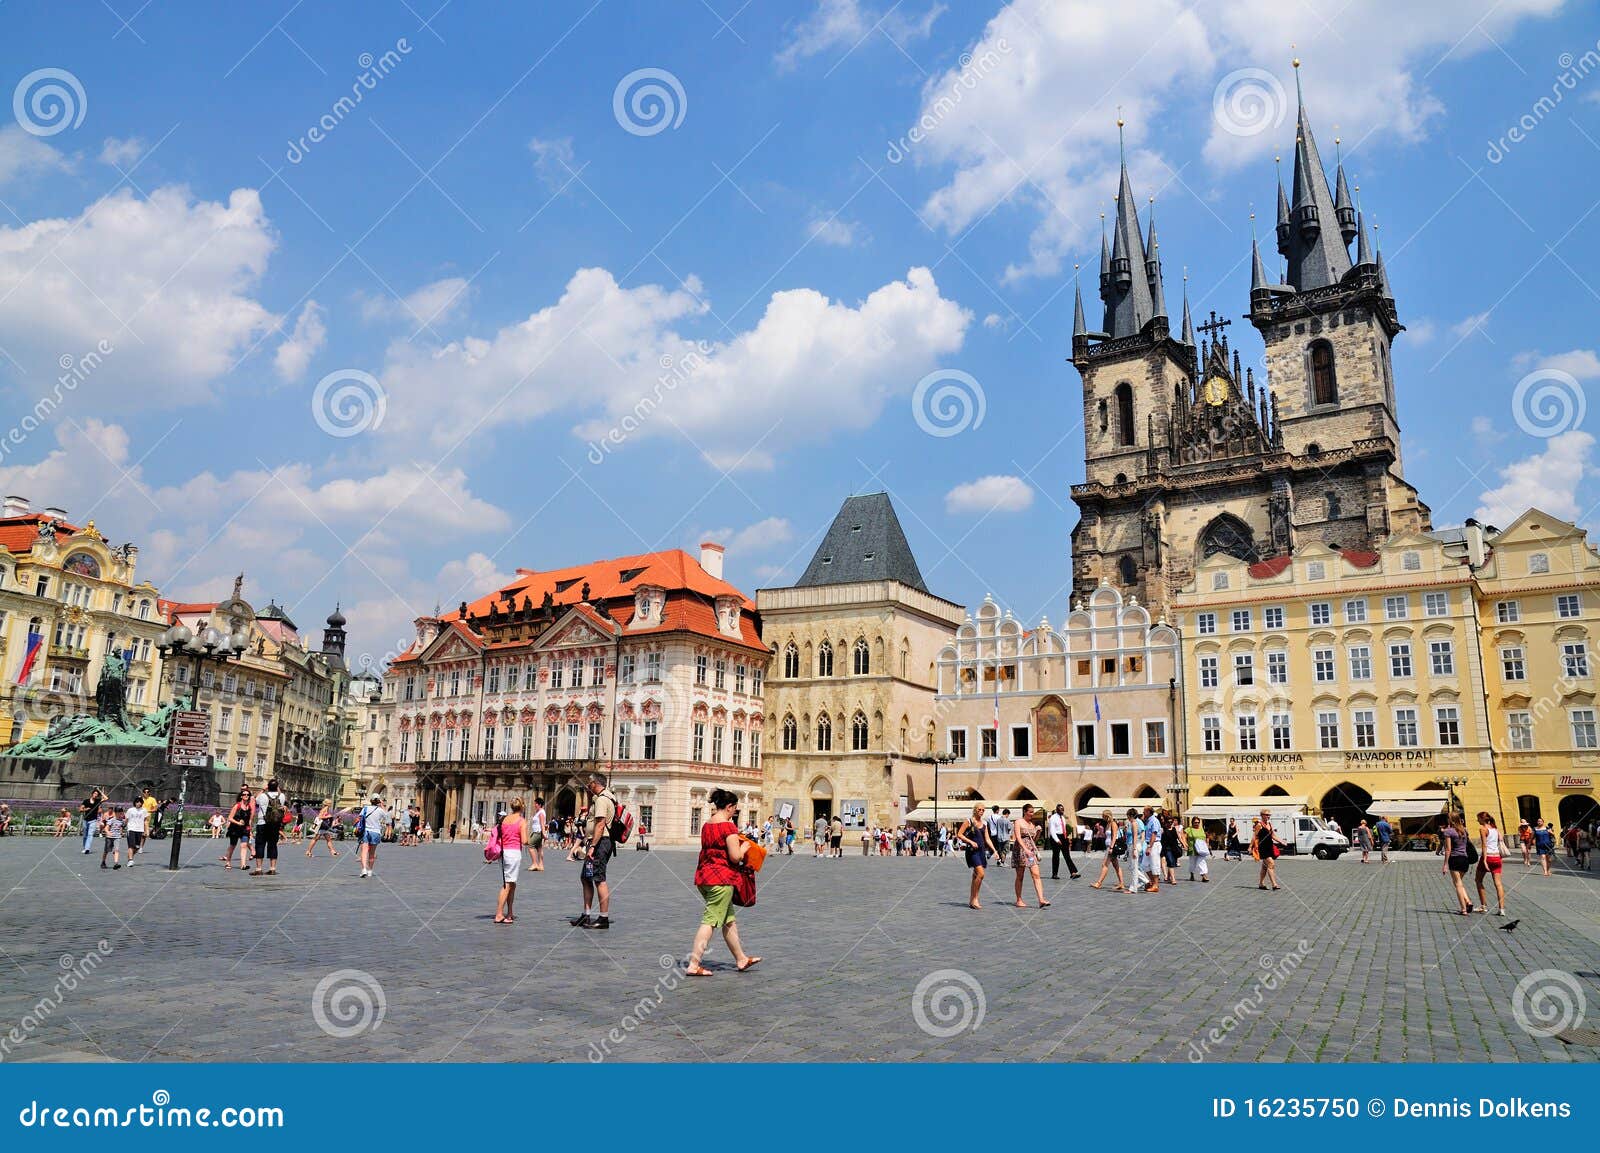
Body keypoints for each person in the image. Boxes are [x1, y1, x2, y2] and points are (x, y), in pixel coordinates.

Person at [682, 788, 761, 975]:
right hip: (721, 879)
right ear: (729, 807)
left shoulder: (707, 825)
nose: (735, 812)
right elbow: (735, 857)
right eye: (735, 808)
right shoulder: (728, 827)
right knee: (710, 921)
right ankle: (694, 964)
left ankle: (741, 959)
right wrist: (746, 847)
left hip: (704, 877)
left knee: (728, 921)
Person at [571, 774, 618, 929]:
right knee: (586, 878)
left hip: (600, 843)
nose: (588, 786)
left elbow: (600, 825)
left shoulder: (602, 799)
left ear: (596, 783)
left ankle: (603, 918)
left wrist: (592, 847)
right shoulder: (602, 798)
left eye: (589, 783)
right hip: (597, 843)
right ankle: (586, 915)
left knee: (599, 879)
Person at [955, 802, 997, 909]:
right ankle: (975, 898)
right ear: (975, 810)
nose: (981, 811)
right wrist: (970, 842)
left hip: (981, 851)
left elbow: (987, 839)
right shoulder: (969, 821)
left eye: (983, 810)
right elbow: (959, 834)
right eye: (979, 809)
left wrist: (994, 850)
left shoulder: (984, 823)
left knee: (975, 876)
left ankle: (971, 899)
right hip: (972, 851)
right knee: (981, 874)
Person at [492, 799, 527, 924]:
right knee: (507, 884)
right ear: (522, 808)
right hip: (513, 854)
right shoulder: (521, 821)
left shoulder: (504, 819)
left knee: (512, 884)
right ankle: (499, 914)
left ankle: (510, 913)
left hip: (504, 853)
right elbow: (524, 840)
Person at [1010, 804, 1050, 908]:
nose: (1032, 814)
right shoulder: (1018, 822)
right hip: (1020, 850)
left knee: (1036, 874)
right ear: (1025, 811)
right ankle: (1019, 900)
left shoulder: (1032, 824)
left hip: (1031, 852)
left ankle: (1041, 899)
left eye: (1033, 812)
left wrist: (1038, 832)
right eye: (1030, 812)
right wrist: (1025, 849)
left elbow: (1034, 841)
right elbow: (1018, 838)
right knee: (1020, 876)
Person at [251, 778, 289, 876]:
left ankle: (259, 869)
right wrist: (277, 788)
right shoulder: (282, 796)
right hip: (275, 824)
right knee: (273, 845)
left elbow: (255, 799)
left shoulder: (263, 795)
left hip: (262, 823)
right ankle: (272, 868)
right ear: (277, 787)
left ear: (268, 787)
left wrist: (263, 789)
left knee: (260, 845)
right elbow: (281, 797)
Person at [1474, 811, 1506, 917]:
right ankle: (1502, 909)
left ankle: (1484, 906)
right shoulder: (1495, 829)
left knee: (1478, 880)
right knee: (1498, 884)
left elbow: (1484, 845)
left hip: (1488, 857)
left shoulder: (1483, 829)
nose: (1477, 820)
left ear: (1482, 819)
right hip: (1497, 857)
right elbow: (1500, 841)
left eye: (1478, 818)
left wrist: (1484, 860)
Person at [1440, 813, 1473, 914]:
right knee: (1458, 882)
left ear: (1451, 820)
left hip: (1455, 859)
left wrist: (1445, 864)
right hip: (1465, 859)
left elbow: (1448, 849)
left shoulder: (1448, 832)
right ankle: (1468, 901)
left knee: (1458, 884)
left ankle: (1463, 909)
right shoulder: (1464, 830)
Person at [1091, 809, 1126, 892]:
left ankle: (1099, 883)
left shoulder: (1113, 824)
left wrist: (1111, 847)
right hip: (1108, 846)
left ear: (1107, 816)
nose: (1102, 818)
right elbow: (1107, 836)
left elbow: (1114, 836)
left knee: (1105, 864)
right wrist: (1100, 831)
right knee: (1116, 866)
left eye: (1103, 816)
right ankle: (1121, 883)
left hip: (1111, 847)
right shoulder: (1108, 824)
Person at [222, 788, 253, 870]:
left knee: (244, 845)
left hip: (244, 829)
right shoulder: (237, 806)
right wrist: (238, 823)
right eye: (244, 794)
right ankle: (228, 862)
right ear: (241, 796)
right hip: (235, 829)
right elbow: (230, 818)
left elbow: (249, 820)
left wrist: (250, 829)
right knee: (233, 845)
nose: (246, 796)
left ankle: (243, 865)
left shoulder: (249, 807)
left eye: (248, 795)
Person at [358, 796, 389, 878]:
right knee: (372, 853)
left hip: (366, 831)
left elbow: (360, 818)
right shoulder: (380, 810)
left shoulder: (365, 808)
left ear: (371, 801)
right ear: (378, 801)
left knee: (364, 851)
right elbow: (387, 817)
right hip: (376, 832)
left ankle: (364, 869)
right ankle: (370, 871)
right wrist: (382, 805)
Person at [1046, 804, 1078, 880]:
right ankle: (1054, 874)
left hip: (1063, 837)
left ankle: (1073, 873)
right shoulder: (1053, 818)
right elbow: (1052, 830)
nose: (1062, 811)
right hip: (1055, 837)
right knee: (1056, 856)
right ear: (1057, 810)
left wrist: (1065, 837)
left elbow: (1063, 828)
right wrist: (1057, 840)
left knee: (1067, 855)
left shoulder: (1062, 818)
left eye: (1063, 809)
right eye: (1060, 809)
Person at [1255, 810, 1282, 891]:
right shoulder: (1259, 825)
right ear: (1262, 815)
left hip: (1269, 847)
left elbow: (1273, 835)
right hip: (1262, 847)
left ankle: (1261, 884)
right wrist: (1251, 847)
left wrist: (1281, 841)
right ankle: (1274, 884)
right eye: (1266, 815)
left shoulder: (1269, 824)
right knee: (1271, 863)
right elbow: (1254, 837)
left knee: (1264, 867)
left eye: (1269, 815)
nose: (1268, 816)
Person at [123, 797, 148, 865]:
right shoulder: (130, 810)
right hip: (131, 829)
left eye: (140, 802)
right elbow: (126, 820)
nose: (138, 803)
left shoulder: (144, 810)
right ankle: (131, 860)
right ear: (134, 803)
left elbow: (145, 821)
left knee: (137, 847)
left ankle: (130, 857)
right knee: (131, 845)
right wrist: (122, 827)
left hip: (140, 830)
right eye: (137, 802)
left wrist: (146, 831)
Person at [79, 787, 104, 853]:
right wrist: (85, 809)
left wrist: (99, 791)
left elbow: (106, 798)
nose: (95, 795)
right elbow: (80, 809)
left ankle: (87, 849)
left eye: (97, 794)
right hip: (86, 820)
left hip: (93, 820)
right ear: (92, 794)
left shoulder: (98, 801)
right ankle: (85, 847)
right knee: (85, 835)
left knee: (90, 835)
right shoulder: (86, 801)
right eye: (94, 793)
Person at [1185, 816, 1209, 881]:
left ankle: (1204, 875)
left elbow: (1206, 836)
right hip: (1193, 848)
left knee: (1201, 861)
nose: (1197, 824)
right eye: (1195, 822)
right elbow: (1183, 836)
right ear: (1192, 822)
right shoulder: (1189, 829)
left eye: (1198, 822)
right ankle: (1192, 874)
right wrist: (1185, 844)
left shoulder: (1201, 829)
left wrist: (1207, 844)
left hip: (1202, 848)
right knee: (1192, 863)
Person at [1159, 815, 1181, 885]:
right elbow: (1158, 838)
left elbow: (1179, 838)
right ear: (1165, 822)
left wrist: (1184, 845)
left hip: (1174, 848)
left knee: (1172, 863)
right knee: (1171, 862)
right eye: (1168, 822)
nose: (1170, 823)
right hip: (1166, 848)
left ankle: (1168, 877)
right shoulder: (1163, 830)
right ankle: (1173, 879)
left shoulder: (1175, 829)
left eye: (1171, 822)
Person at [527, 797, 547, 871]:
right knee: (539, 848)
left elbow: (542, 824)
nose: (534, 805)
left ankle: (535, 863)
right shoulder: (540, 812)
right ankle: (541, 865)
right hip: (537, 831)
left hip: (537, 832)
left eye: (535, 804)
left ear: (539, 804)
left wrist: (544, 833)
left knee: (530, 845)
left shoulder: (541, 812)